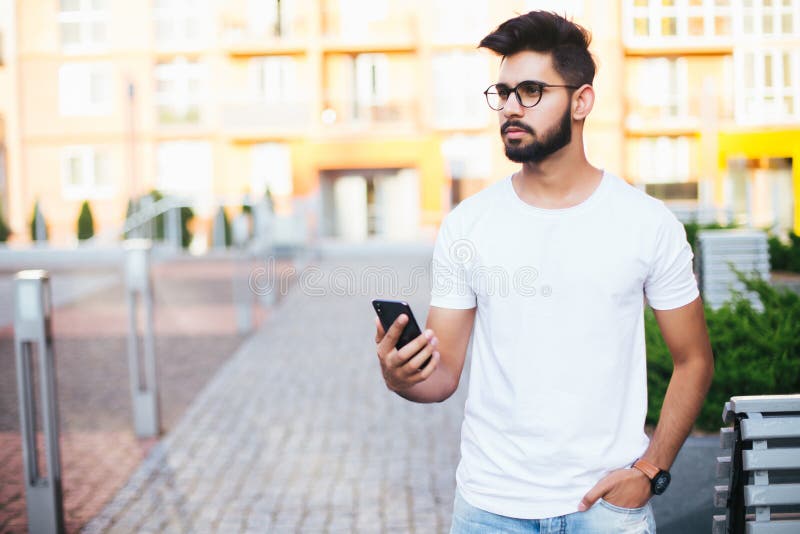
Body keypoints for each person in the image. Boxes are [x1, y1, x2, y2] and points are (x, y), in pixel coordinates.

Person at [374, 10, 715, 534]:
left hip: (606, 510)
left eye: (531, 91)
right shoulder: (469, 226)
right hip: (490, 508)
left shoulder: (647, 224)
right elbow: (442, 377)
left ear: (582, 101)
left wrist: (649, 471)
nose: (511, 107)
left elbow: (693, 360)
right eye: (503, 92)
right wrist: (400, 376)